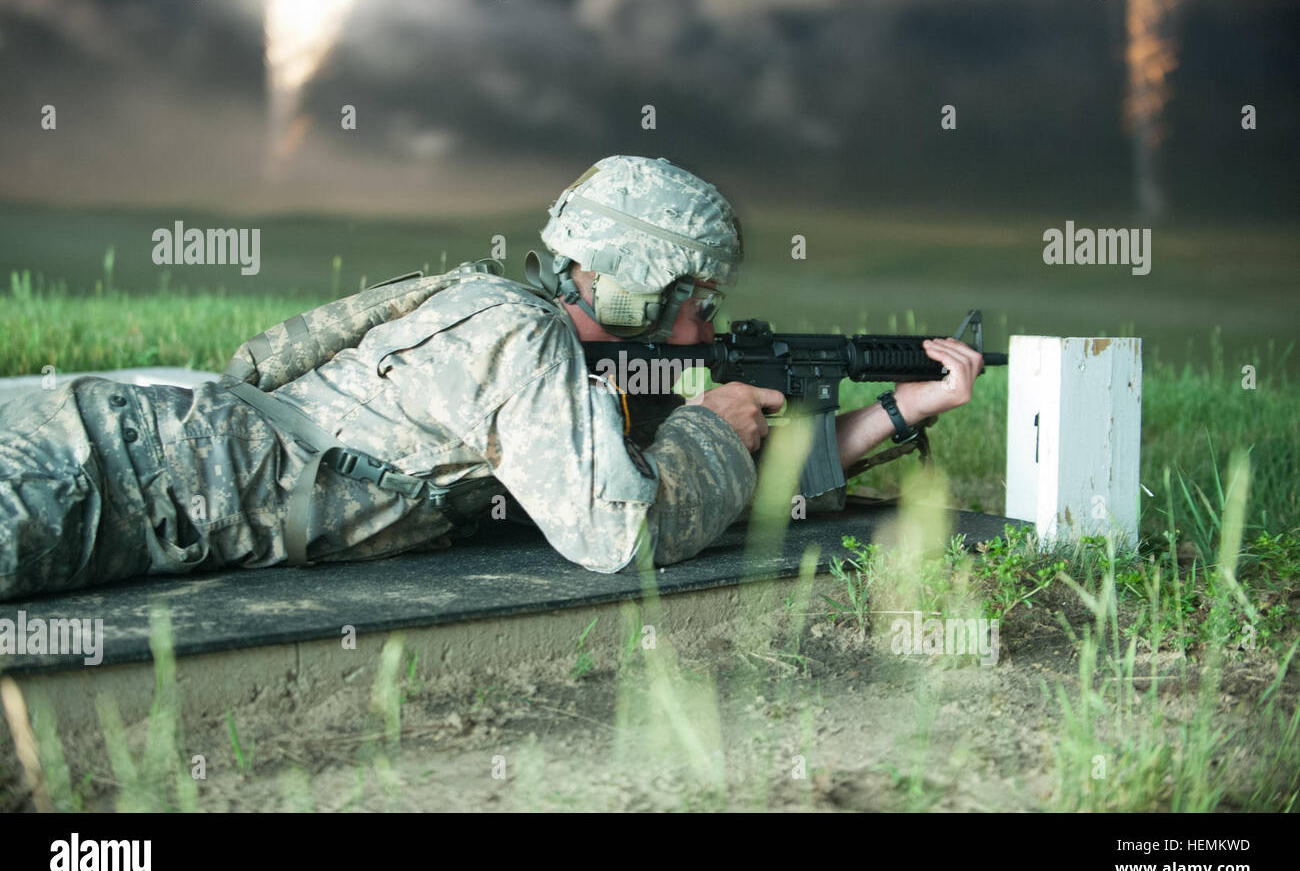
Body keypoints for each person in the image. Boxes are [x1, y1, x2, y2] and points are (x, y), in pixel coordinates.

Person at [0, 156, 983, 600]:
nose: (707, 327)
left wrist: (896, 409)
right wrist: (717, 425)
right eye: (701, 300)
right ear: (646, 288)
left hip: (122, 429)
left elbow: (255, 365)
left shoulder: (487, 311)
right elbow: (627, 531)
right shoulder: (525, 349)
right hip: (109, 476)